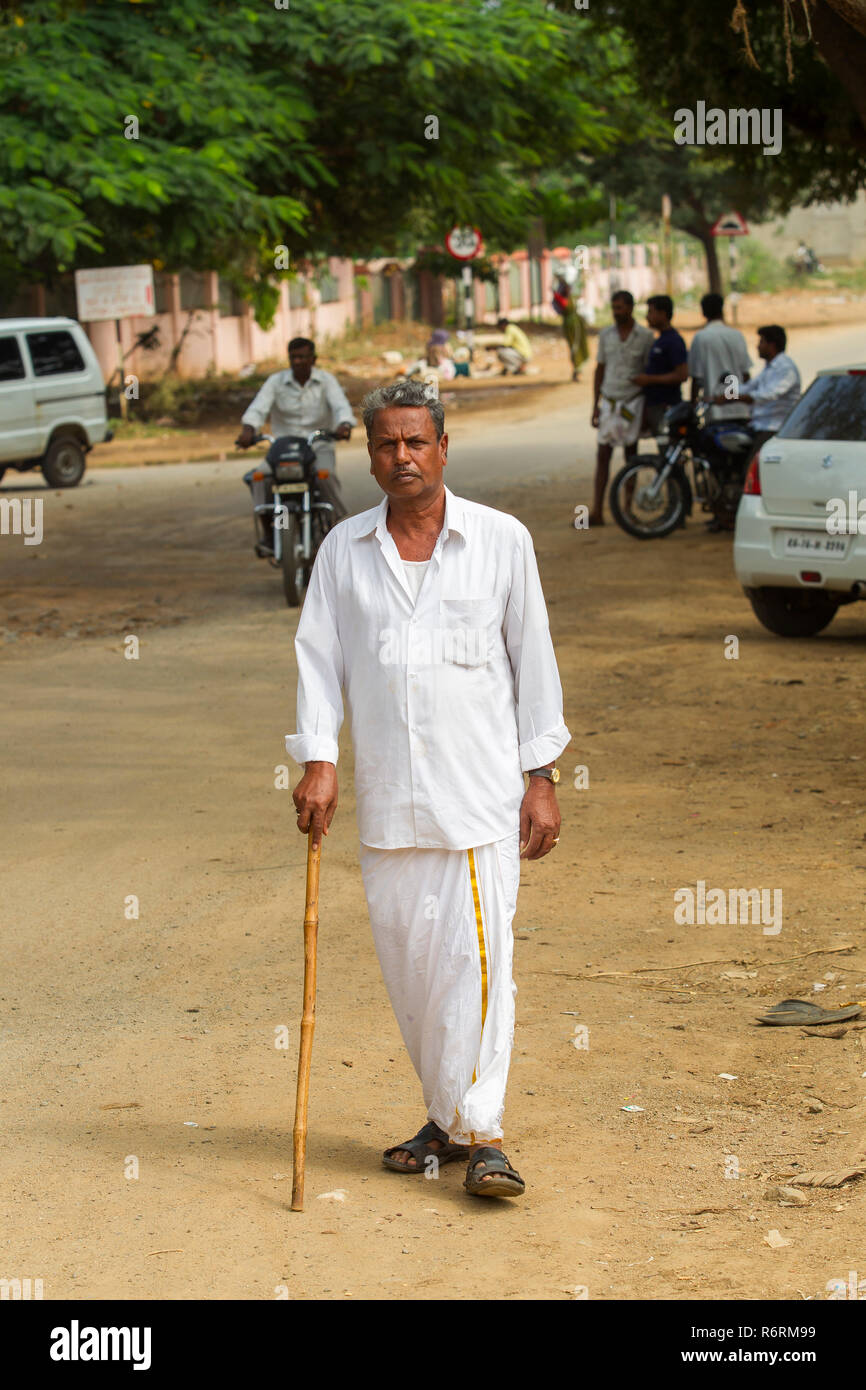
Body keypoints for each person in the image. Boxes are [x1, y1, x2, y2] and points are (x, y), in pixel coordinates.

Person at [288, 378, 570, 1200]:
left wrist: (540, 776)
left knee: (479, 971)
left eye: (416, 442)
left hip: (478, 802)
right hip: (389, 805)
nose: (402, 456)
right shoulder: (345, 550)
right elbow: (318, 660)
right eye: (386, 444)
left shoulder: (501, 540)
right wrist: (319, 757)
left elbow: (535, 664)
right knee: (415, 977)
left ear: (444, 448)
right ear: (369, 454)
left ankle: (484, 1134)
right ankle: (444, 1119)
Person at [235, 337, 354, 520]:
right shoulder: (275, 382)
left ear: (313, 359)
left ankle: (335, 526)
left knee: (326, 477)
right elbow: (258, 408)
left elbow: (341, 406)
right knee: (260, 477)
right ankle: (269, 525)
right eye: (293, 358)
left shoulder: (326, 381)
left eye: (302, 357)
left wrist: (344, 425)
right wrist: (248, 430)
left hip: (318, 446)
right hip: (284, 449)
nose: (297, 362)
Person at [589, 290, 654, 526]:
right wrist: (595, 405)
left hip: (633, 401)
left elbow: (649, 372)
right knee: (603, 455)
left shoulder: (645, 337)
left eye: (620, 308)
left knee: (631, 456)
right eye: (614, 308)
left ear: (630, 307)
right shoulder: (606, 335)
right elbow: (600, 369)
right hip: (610, 401)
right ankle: (597, 510)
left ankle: (627, 508)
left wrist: (646, 409)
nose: (616, 312)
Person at [713, 324, 801, 454]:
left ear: (772, 345)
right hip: (759, 425)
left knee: (750, 470)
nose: (758, 346)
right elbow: (749, 387)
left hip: (773, 427)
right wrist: (721, 394)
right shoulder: (770, 367)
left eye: (761, 342)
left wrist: (731, 398)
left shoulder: (785, 368)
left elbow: (767, 395)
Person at [688, 293, 751, 424]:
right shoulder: (736, 335)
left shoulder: (701, 338)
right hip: (740, 408)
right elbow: (745, 374)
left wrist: (693, 406)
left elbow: (696, 377)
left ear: (703, 312)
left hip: (715, 410)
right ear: (722, 310)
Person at [631, 294, 689, 436]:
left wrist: (649, 380)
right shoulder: (659, 340)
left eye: (651, 312)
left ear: (663, 314)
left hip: (666, 405)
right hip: (655, 404)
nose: (647, 317)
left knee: (668, 445)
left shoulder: (673, 341)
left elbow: (682, 375)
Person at [553, 275, 589, 382]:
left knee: (579, 345)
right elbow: (554, 291)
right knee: (574, 347)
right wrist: (557, 280)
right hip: (570, 326)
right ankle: (577, 369)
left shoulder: (570, 299)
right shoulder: (561, 300)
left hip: (576, 324)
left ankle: (578, 369)